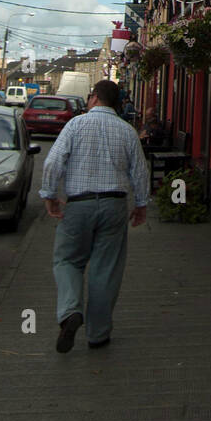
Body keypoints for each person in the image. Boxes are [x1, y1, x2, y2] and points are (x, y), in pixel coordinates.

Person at [38, 78, 149, 353]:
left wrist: (50, 196)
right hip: (114, 206)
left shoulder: (75, 125)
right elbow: (140, 171)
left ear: (95, 98)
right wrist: (141, 205)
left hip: (78, 204)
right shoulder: (127, 131)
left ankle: (70, 311)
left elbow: (53, 162)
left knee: (67, 260)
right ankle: (98, 334)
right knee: (106, 269)